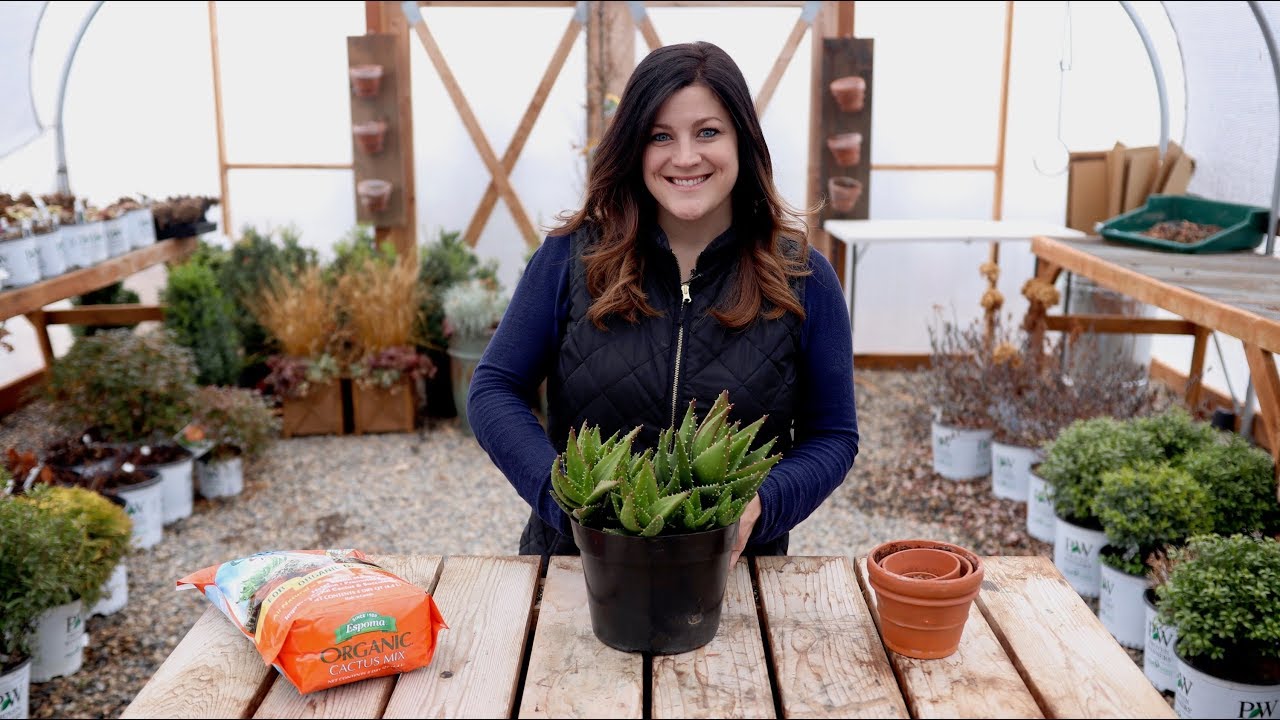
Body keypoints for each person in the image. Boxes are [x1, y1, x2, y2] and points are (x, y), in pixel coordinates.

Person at [468, 41, 858, 568]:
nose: (685, 157)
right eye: (660, 136)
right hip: (575, 571)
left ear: (742, 139)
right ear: (634, 148)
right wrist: (566, 501)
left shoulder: (804, 278)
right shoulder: (570, 258)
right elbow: (493, 389)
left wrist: (761, 507)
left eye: (708, 132)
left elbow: (832, 435)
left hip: (732, 579)